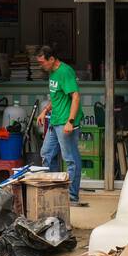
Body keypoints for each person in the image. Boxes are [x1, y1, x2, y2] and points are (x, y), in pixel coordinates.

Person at [35, 45, 86, 207]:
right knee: (47, 154)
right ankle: (55, 192)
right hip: (55, 120)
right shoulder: (52, 73)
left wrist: (70, 121)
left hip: (66, 122)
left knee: (70, 159)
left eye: (42, 62)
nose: (41, 66)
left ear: (52, 59)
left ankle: (72, 196)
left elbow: (76, 96)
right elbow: (57, 96)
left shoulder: (65, 72)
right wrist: (45, 111)